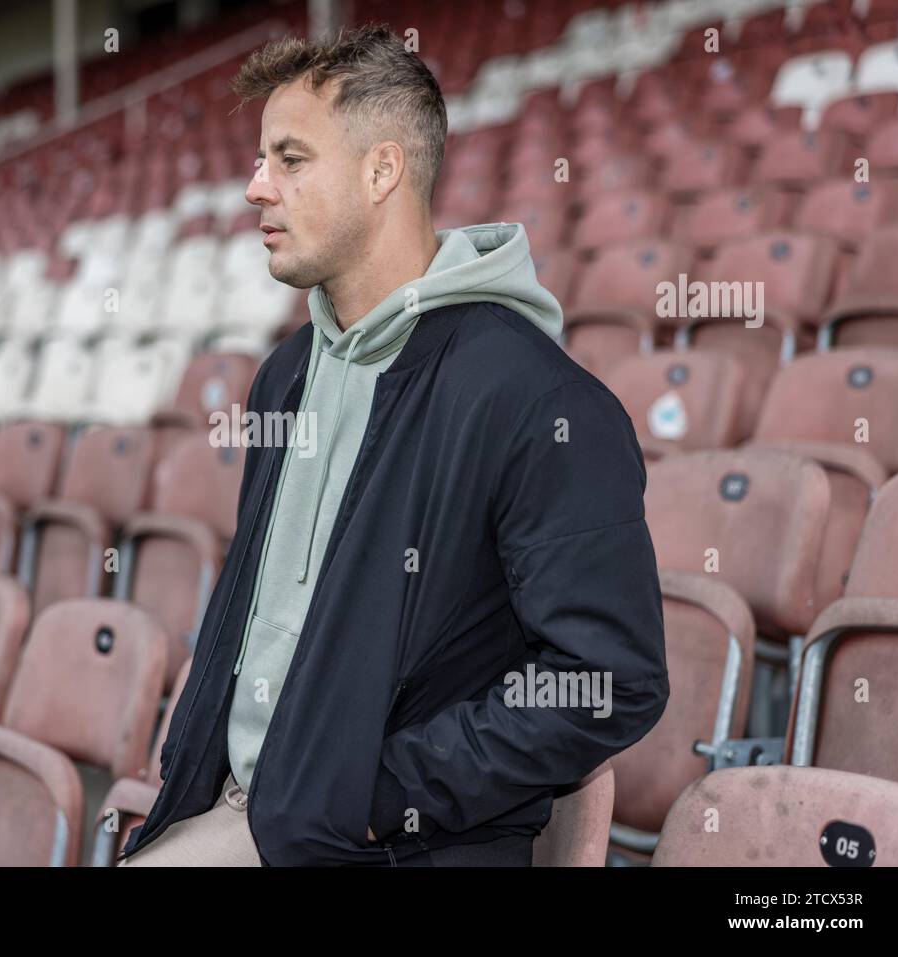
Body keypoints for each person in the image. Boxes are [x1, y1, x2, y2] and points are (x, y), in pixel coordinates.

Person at [119, 22, 668, 867]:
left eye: (290, 159)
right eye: (261, 159)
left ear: (383, 172)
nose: (254, 188)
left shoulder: (539, 400)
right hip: (243, 809)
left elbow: (607, 680)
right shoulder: (287, 375)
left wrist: (380, 796)